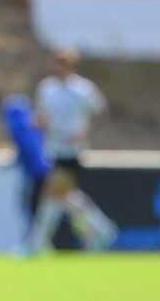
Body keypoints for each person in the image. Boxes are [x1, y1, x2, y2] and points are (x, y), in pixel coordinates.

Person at [23, 47, 116, 254]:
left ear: (71, 65)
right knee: (62, 197)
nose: (57, 67)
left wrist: (86, 133)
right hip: (53, 148)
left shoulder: (83, 89)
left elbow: (101, 113)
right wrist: (38, 121)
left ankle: (36, 244)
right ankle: (101, 228)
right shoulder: (46, 88)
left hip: (72, 149)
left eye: (61, 63)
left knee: (53, 194)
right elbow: (42, 115)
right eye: (55, 62)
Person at [0, 89, 52, 242]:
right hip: (41, 162)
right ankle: (36, 240)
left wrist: (14, 162)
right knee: (43, 205)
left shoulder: (12, 115)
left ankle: (34, 241)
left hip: (34, 167)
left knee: (31, 206)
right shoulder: (21, 107)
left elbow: (25, 143)